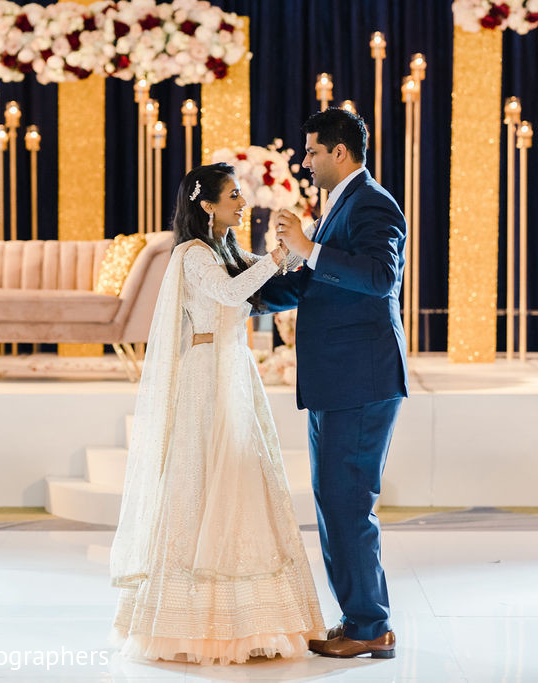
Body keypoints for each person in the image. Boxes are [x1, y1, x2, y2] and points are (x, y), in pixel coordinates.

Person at [108, 162, 324, 665]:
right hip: (206, 374)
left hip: (234, 368)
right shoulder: (192, 254)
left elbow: (266, 275)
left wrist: (301, 243)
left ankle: (254, 619)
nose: (242, 203)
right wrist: (279, 255)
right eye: (232, 196)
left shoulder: (226, 249)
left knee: (244, 474)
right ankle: (192, 622)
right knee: (203, 477)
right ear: (206, 205)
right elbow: (231, 292)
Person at [263, 108, 408, 660]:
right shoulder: (339, 205)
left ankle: (371, 625)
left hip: (361, 380)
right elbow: (313, 285)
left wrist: (309, 247)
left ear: (340, 152)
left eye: (312, 151)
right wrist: (241, 294)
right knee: (333, 501)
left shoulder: (373, 202)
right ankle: (358, 618)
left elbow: (380, 276)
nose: (305, 161)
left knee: (348, 503)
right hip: (336, 381)